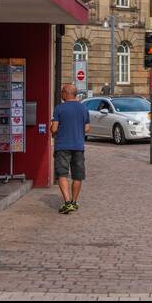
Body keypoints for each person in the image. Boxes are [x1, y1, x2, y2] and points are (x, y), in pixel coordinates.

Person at [50, 83, 91, 214]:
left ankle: (67, 202)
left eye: (62, 91)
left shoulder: (59, 109)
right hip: (78, 146)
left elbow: (54, 128)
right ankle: (74, 202)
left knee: (62, 173)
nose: (61, 94)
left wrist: (54, 131)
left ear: (66, 93)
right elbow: (87, 128)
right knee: (77, 175)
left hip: (62, 146)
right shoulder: (84, 108)